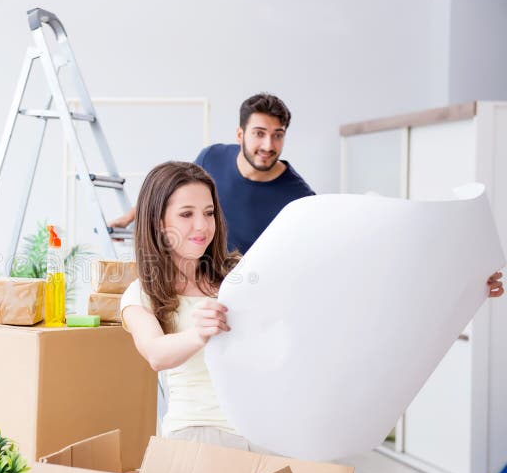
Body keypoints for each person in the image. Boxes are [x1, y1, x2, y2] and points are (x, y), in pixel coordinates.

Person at [121, 161, 504, 451]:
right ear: (158, 222)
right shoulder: (142, 294)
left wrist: (463, 284)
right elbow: (155, 354)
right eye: (186, 215)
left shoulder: (240, 276)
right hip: (199, 437)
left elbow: (343, 297)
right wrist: (196, 333)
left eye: (207, 212)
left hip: (272, 431)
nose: (201, 226)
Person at [110, 93, 314, 254]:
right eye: (259, 133)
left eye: (277, 135)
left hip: (250, 291)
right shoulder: (212, 158)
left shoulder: (300, 198)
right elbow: (169, 194)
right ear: (240, 135)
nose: (268, 145)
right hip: (200, 278)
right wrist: (128, 219)